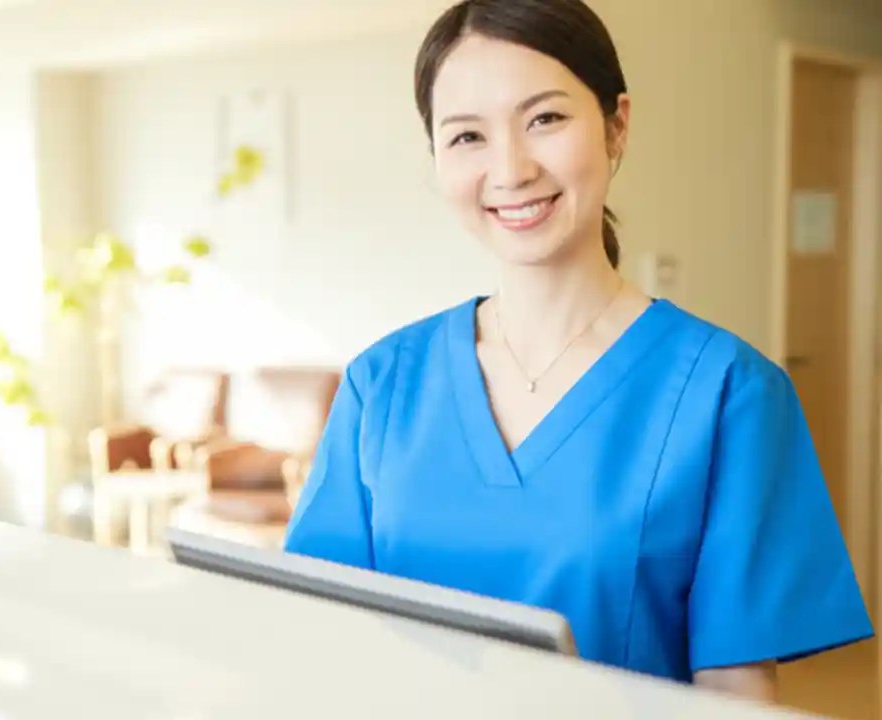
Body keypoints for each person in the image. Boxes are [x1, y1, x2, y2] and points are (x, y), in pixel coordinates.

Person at [283, 0, 873, 702]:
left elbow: (734, 695)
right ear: (437, 157)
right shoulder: (381, 385)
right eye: (467, 136)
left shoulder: (728, 393)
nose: (510, 169)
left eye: (546, 119)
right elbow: (317, 642)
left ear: (617, 125)